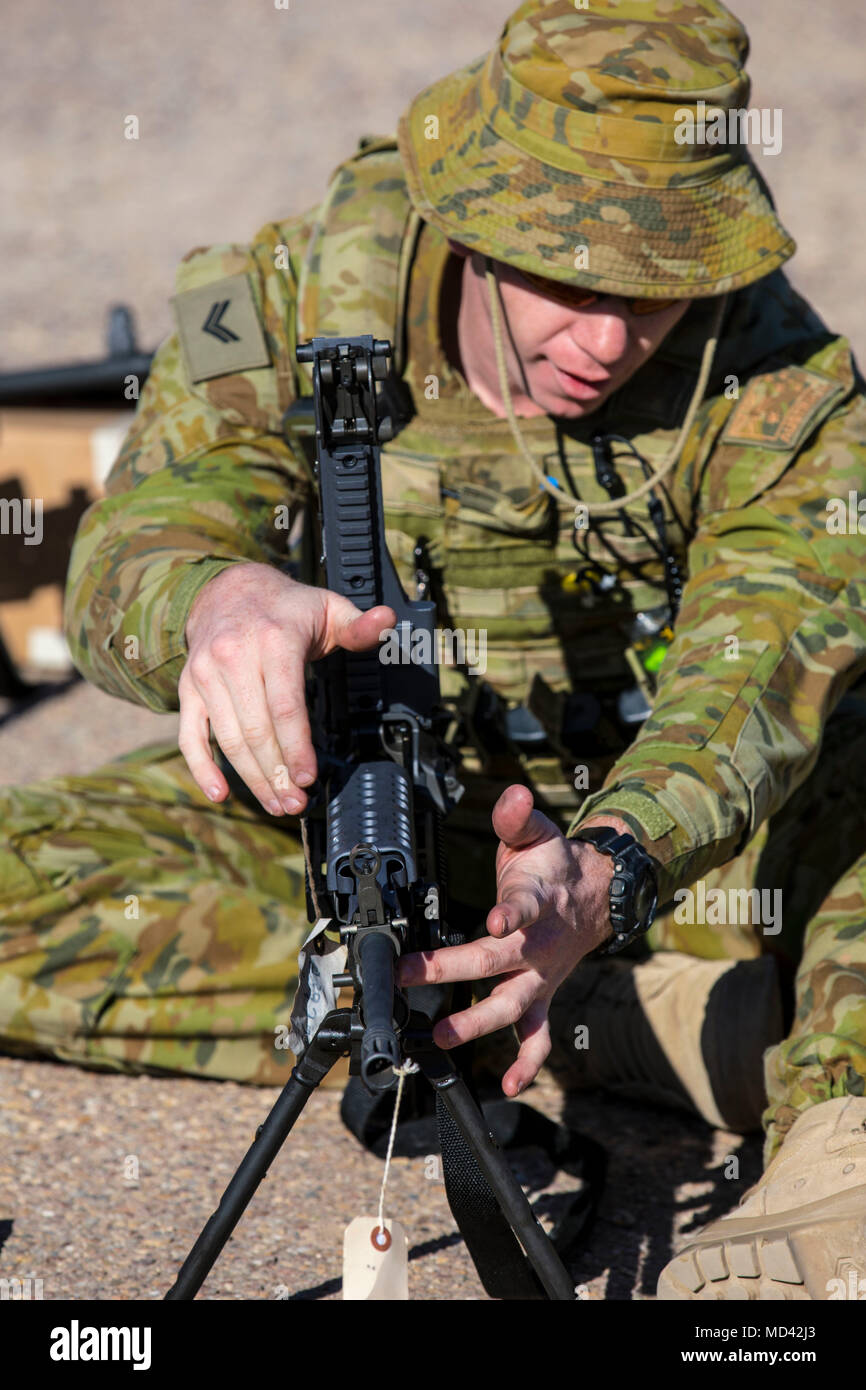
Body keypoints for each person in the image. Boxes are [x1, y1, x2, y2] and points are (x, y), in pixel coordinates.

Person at [1, 0, 864, 1301]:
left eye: (658, 279)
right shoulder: (278, 291)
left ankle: (825, 1164)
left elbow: (756, 674)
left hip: (672, 858)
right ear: (468, 214)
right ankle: (664, 1028)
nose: (611, 336)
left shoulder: (780, 377)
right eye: (569, 275)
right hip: (348, 848)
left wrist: (609, 866)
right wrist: (212, 602)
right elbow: (134, 542)